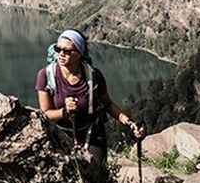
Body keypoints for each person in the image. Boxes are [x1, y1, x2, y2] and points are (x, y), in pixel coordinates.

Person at [36, 29, 145, 164]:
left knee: (97, 171)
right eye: (58, 49)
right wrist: (64, 111)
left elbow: (107, 104)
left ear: (79, 53)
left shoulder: (93, 76)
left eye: (67, 51)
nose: (61, 54)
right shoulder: (46, 76)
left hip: (92, 134)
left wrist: (129, 123)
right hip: (60, 136)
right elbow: (45, 114)